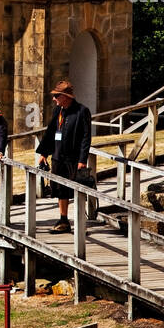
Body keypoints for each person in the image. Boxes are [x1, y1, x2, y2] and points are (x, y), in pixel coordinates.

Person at [36, 80, 92, 233]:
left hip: (74, 159)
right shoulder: (58, 111)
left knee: (78, 191)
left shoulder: (82, 111)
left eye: (57, 96)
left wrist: (82, 160)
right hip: (58, 157)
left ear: (66, 97)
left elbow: (86, 138)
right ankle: (63, 220)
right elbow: (50, 133)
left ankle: (80, 224)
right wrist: (43, 153)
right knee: (60, 190)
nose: (54, 99)